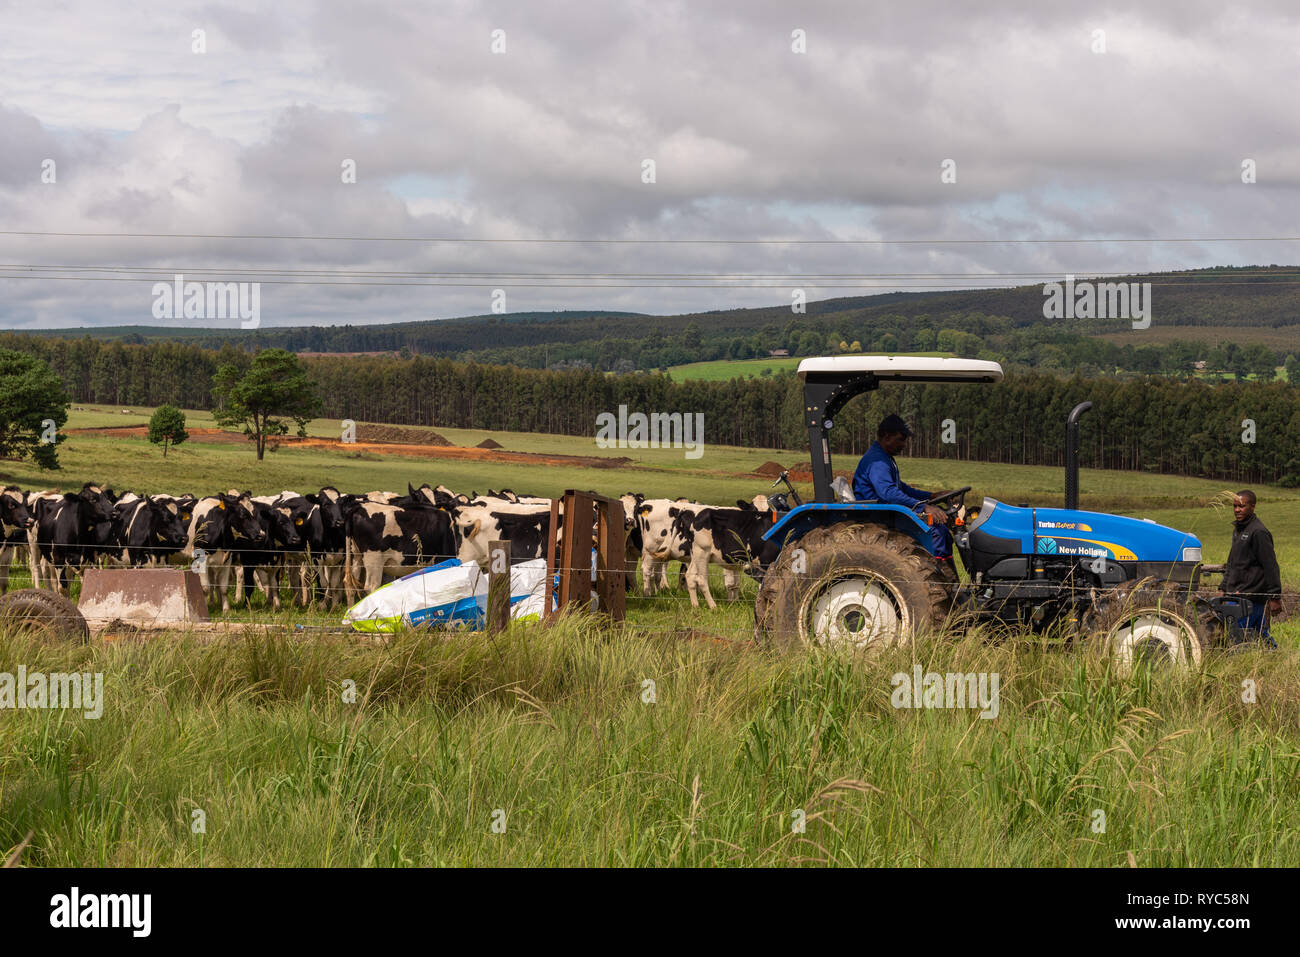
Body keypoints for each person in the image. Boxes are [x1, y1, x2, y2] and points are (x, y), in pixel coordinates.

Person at [852, 414, 951, 563]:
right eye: (901, 439)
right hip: (879, 515)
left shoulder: (884, 457)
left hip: (886, 511)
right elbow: (889, 493)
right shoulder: (877, 461)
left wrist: (931, 496)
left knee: (942, 529)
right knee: (936, 532)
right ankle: (937, 578)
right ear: (886, 436)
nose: (904, 444)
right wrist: (924, 507)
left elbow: (901, 488)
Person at [1219, 489, 1282, 648]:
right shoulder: (1239, 530)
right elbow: (1232, 562)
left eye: (1242, 506)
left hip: (1250, 596)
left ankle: (1263, 656)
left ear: (1252, 507)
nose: (1237, 510)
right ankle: (1272, 654)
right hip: (1236, 593)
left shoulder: (1258, 532)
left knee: (1238, 635)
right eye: (1234, 506)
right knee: (1257, 632)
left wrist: (1274, 597)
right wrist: (1223, 587)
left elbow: (1270, 566)